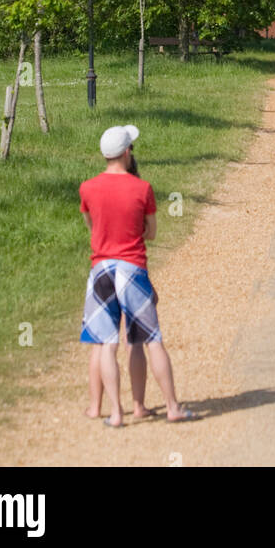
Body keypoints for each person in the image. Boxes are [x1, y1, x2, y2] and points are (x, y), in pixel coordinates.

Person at [79, 124, 192, 426]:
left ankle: (116, 413)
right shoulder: (142, 189)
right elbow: (151, 233)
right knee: (149, 339)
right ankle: (171, 407)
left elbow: (93, 229)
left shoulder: (87, 188)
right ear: (127, 152)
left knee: (106, 342)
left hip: (101, 268)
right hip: (131, 267)